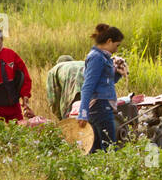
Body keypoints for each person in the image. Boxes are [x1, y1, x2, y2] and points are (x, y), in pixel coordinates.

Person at [77, 23, 125, 153]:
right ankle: (110, 172)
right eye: (117, 45)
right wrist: (83, 112)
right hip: (100, 106)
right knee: (109, 147)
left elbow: (106, 83)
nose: (116, 50)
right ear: (109, 41)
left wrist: (118, 73)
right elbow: (88, 86)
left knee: (97, 148)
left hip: (102, 105)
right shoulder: (96, 58)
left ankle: (95, 172)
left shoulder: (103, 57)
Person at [46, 54, 83, 120]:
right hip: (94, 92)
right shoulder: (82, 63)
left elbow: (53, 99)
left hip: (74, 94)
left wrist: (60, 117)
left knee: (71, 120)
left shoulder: (54, 69)